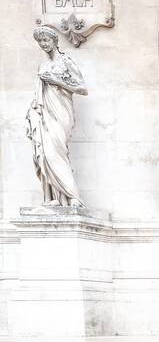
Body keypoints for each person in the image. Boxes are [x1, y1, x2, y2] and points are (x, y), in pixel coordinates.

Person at [26, 24, 88, 209]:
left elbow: (82, 88)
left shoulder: (65, 61)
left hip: (61, 111)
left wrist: (57, 81)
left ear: (54, 41)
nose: (43, 44)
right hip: (44, 113)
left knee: (56, 152)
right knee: (45, 153)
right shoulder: (43, 64)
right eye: (40, 42)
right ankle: (54, 197)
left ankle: (73, 196)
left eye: (46, 40)